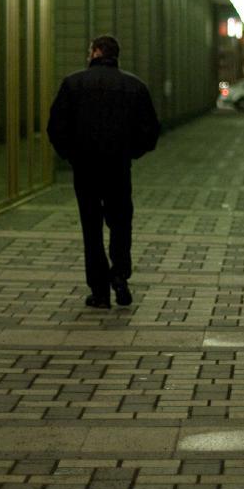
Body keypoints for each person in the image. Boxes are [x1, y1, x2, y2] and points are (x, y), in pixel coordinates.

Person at [46, 34, 161, 308]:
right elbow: (151, 132)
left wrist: (71, 155)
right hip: (118, 167)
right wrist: (130, 152)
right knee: (120, 223)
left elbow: (56, 128)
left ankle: (99, 291)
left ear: (95, 52)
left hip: (85, 168)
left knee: (91, 227)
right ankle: (120, 275)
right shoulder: (134, 86)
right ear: (115, 55)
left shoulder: (72, 84)